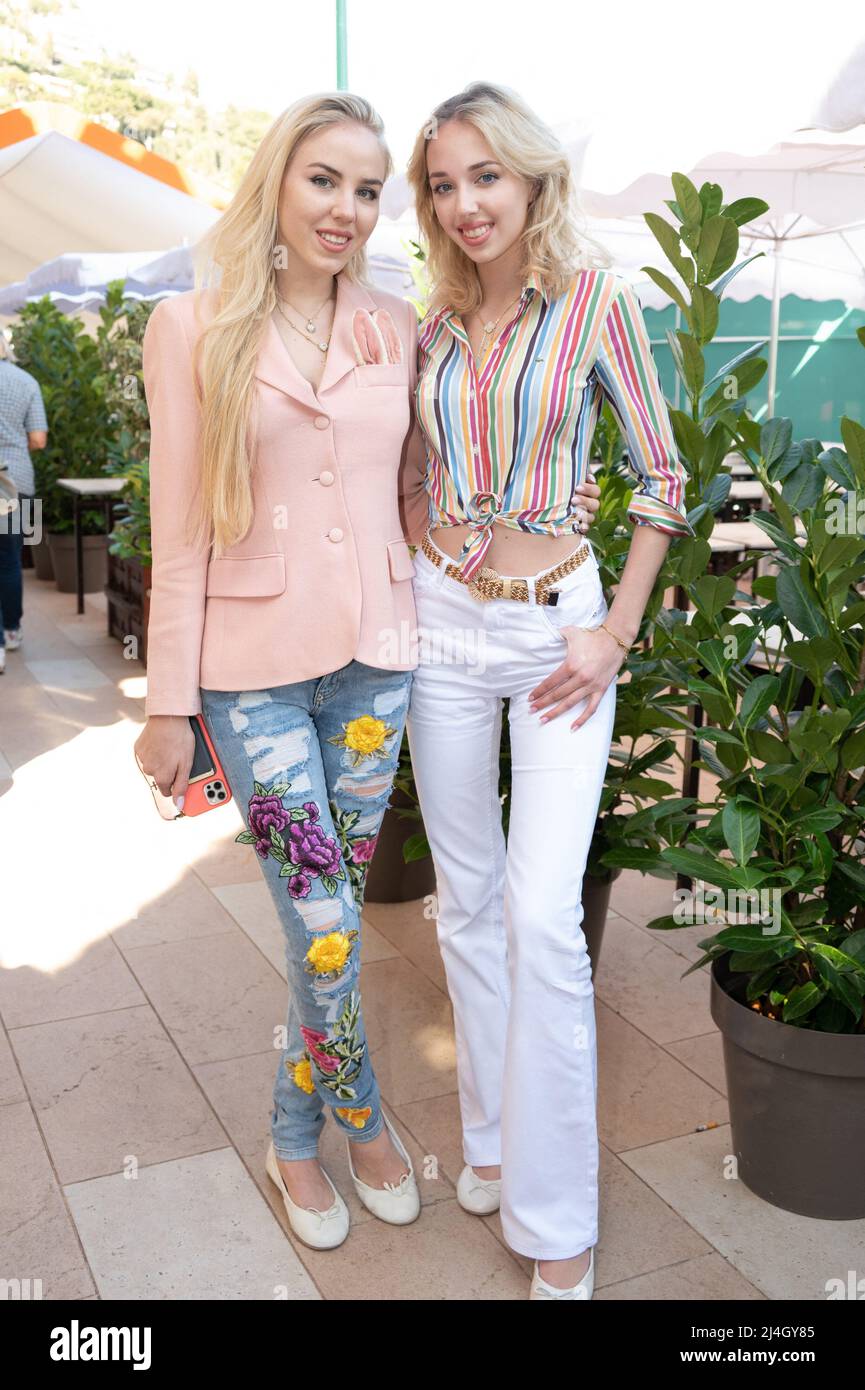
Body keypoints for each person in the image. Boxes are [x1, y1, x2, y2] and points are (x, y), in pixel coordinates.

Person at [131, 88, 606, 1255]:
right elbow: (177, 522)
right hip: (250, 678)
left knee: (325, 918)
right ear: (276, 186)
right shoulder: (192, 327)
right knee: (323, 914)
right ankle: (361, 1117)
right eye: (321, 181)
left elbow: (423, 475)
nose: (344, 209)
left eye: (363, 189)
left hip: (380, 659)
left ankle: (292, 1137)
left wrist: (548, 507)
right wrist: (167, 699)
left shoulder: (397, 324)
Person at [399, 81, 694, 1299]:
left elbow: (666, 479)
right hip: (441, 634)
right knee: (463, 904)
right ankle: (489, 1143)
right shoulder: (427, 329)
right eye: (441, 183)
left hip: (560, 638)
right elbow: (411, 471)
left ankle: (556, 1217)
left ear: (528, 181)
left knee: (539, 919)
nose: (464, 203)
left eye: (484, 177)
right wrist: (436, 543)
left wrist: (614, 633)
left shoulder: (595, 307)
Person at [0, 331, 47, 675]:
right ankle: (11, 630)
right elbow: (39, 440)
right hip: (17, 482)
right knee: (12, 558)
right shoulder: (27, 381)